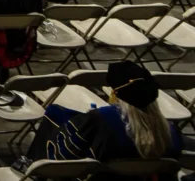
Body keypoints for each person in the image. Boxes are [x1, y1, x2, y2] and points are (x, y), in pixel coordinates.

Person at [38, 60, 184, 165]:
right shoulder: (171, 131)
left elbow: (66, 158)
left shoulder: (100, 119)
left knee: (54, 114)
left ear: (116, 93)